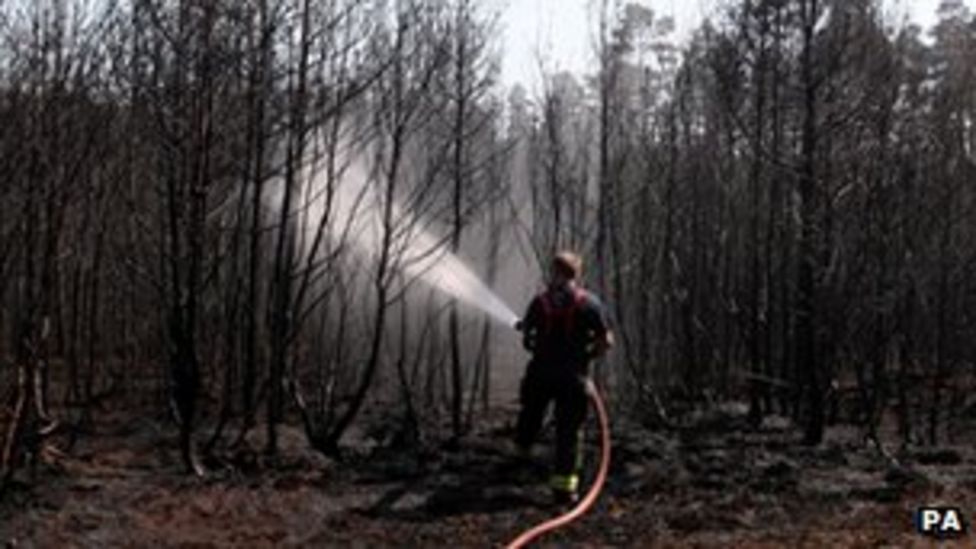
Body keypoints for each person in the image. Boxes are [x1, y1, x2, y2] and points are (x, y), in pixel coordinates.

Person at [515, 251, 614, 504]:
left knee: (530, 418)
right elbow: (606, 341)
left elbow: (528, 335)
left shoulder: (540, 302)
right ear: (576, 274)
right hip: (573, 379)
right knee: (569, 432)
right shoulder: (589, 303)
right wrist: (588, 355)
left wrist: (530, 334)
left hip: (540, 376)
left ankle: (518, 462)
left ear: (555, 272)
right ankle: (564, 489)